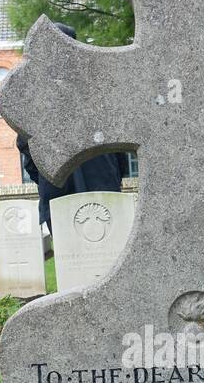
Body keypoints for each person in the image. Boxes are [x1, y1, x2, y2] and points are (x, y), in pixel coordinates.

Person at [16, 22, 131, 233]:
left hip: (59, 195)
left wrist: (48, 180)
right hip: (104, 190)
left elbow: (29, 156)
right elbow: (121, 148)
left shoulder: (34, 99)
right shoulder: (99, 91)